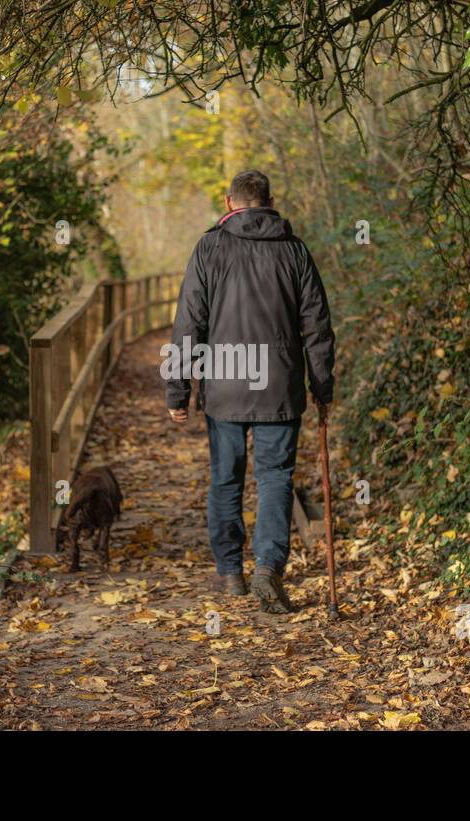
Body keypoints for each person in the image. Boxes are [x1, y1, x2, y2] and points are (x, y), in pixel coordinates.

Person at [164, 170, 335, 613]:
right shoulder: (294, 251)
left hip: (224, 383)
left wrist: (178, 390)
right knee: (275, 476)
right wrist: (322, 385)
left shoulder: (209, 248)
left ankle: (230, 573)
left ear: (228, 203)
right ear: (270, 202)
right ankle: (268, 566)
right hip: (278, 384)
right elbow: (317, 326)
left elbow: (189, 323)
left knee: (226, 477)